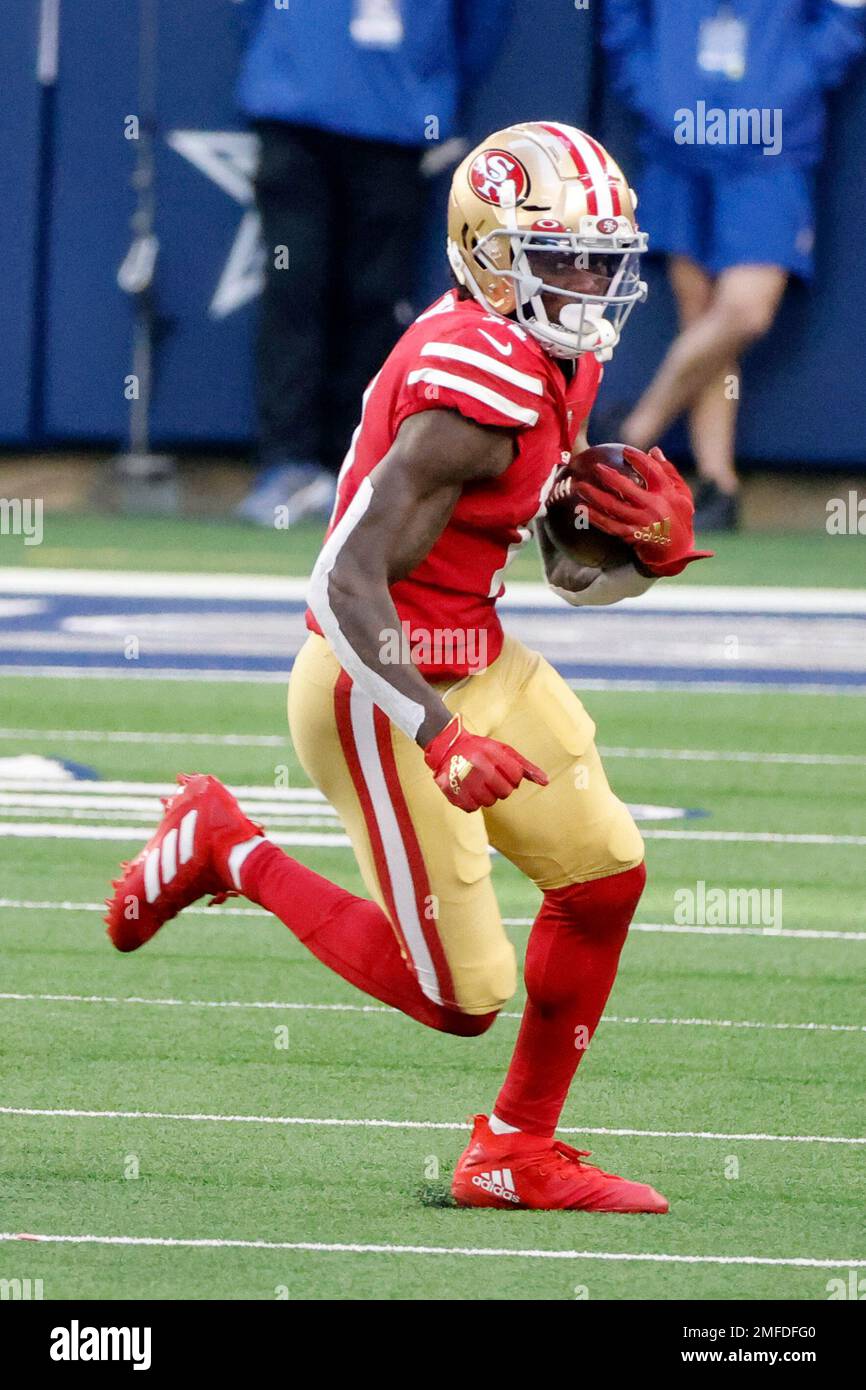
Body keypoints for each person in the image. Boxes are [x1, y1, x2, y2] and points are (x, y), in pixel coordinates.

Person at [106, 122, 712, 1212]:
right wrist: (440, 733)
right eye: (558, 254)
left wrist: (622, 552)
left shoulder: (555, 346)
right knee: (458, 997)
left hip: (470, 645)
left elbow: (525, 525)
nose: (586, 279)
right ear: (486, 252)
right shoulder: (466, 386)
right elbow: (344, 580)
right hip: (373, 680)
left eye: (599, 254)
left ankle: (512, 1150)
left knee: (603, 873)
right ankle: (224, 846)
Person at [236, 0, 513, 526]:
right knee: (294, 287)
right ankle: (285, 461)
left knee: (378, 299)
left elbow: (481, 23)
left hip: (396, 121)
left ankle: (359, 463)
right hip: (295, 114)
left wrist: (431, 81)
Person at [603, 0, 866, 530]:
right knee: (700, 322)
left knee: (743, 313)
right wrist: (654, 90)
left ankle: (632, 433)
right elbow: (621, 18)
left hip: (771, 148)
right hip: (678, 143)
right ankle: (718, 483)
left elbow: (847, 12)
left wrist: (796, 79)